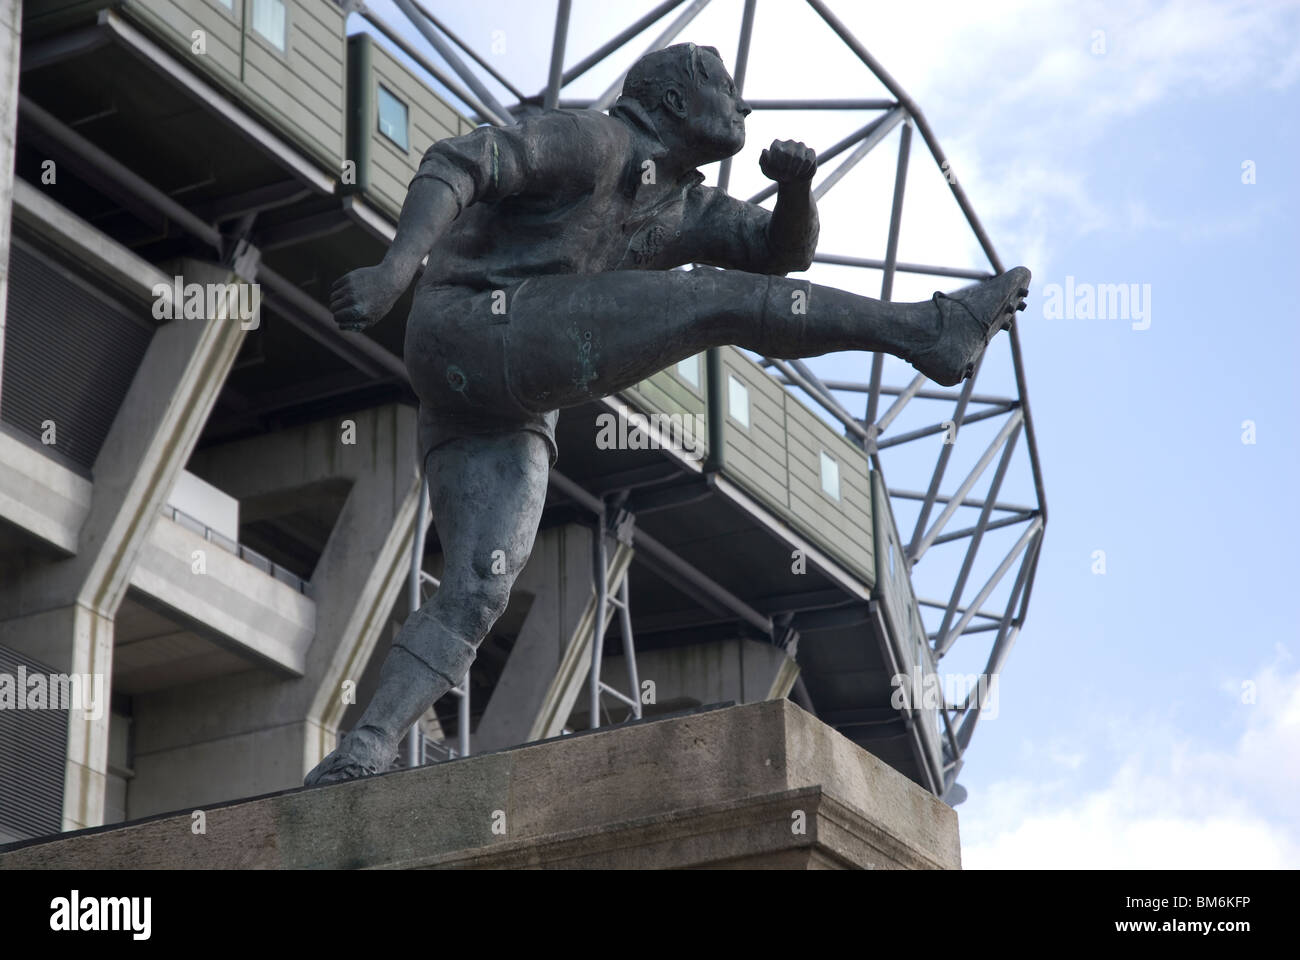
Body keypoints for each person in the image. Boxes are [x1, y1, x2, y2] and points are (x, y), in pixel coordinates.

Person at [306, 43, 1029, 784]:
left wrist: (797, 188)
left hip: (494, 406)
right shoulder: (597, 142)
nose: (744, 106)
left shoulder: (686, 202)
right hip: (468, 324)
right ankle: (927, 332)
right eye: (726, 87)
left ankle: (363, 749)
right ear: (676, 104)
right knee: (709, 298)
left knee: (480, 585)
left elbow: (783, 256)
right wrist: (395, 271)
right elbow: (459, 160)